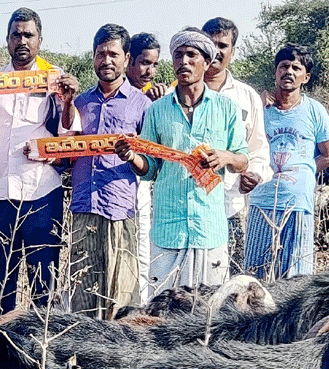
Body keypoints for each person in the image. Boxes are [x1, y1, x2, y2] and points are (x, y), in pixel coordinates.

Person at [0, 7, 79, 310]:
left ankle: (40, 352)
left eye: (28, 35)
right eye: (15, 35)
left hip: (41, 195)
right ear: (7, 40)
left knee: (42, 284)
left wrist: (68, 100)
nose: (21, 40)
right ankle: (4, 351)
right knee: (3, 283)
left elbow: (68, 133)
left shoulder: (55, 79)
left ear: (40, 39)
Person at [115, 28, 247, 292]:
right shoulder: (157, 111)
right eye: (178, 55)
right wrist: (131, 156)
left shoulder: (226, 108)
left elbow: (243, 160)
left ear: (206, 62)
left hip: (208, 230)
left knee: (207, 315)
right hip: (168, 232)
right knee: (162, 314)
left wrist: (226, 156)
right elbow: (150, 169)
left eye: (191, 55)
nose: (183, 62)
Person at [65, 24, 147, 318]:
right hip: (84, 209)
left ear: (127, 58)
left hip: (120, 212)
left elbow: (150, 166)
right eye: (101, 54)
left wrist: (132, 157)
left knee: (123, 302)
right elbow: (66, 155)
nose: (107, 61)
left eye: (113, 54)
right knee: (82, 300)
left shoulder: (141, 105)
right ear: (93, 57)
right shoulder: (80, 103)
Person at [245, 44, 329, 278]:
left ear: (305, 77)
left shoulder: (314, 110)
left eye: (296, 68)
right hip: (261, 201)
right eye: (284, 66)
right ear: (275, 72)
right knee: (254, 276)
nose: (289, 72)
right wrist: (257, 101)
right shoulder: (258, 108)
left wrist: (304, 171)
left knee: (295, 277)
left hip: (297, 203)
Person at [202, 17, 271, 261]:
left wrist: (254, 174)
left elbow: (259, 150)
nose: (216, 51)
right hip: (186, 210)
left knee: (228, 289)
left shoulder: (246, 97)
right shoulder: (176, 93)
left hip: (230, 207)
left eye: (222, 45)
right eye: (210, 44)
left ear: (233, 51)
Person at [125, 31, 164, 302]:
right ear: (129, 61)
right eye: (144, 63)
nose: (149, 71)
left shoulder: (159, 100)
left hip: (147, 190)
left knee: (144, 255)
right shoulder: (117, 94)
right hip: (117, 188)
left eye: (155, 64)